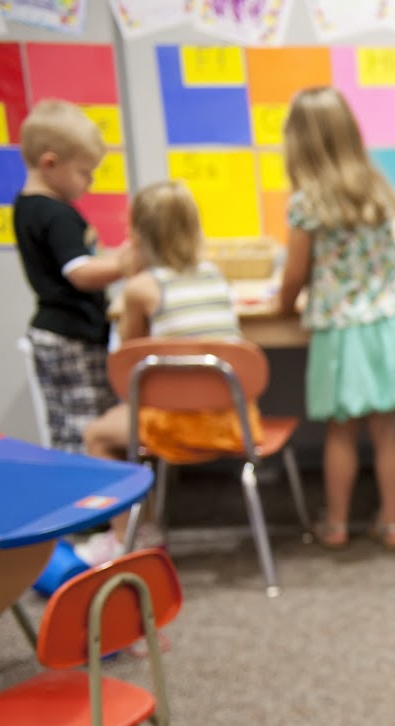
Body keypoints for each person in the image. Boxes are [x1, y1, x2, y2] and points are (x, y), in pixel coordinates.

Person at [76, 180, 260, 565]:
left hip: (176, 426)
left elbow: (129, 363)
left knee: (98, 435)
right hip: (233, 423)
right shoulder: (215, 276)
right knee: (130, 421)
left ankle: (130, 535)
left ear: (139, 235)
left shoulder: (141, 288)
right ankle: (146, 526)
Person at [276, 85, 395, 550]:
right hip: (389, 324)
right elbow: (393, 256)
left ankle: (336, 524)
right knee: (389, 431)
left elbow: (296, 273)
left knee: (341, 431)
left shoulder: (307, 203)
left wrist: (281, 305)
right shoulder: (379, 189)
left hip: (342, 332)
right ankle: (394, 523)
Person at [12, 99, 133, 453]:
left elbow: (80, 260)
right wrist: (128, 263)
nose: (90, 183)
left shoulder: (28, 205)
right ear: (50, 163)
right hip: (70, 337)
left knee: (77, 424)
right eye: (85, 172)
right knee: (85, 429)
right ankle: (93, 502)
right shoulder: (56, 214)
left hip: (68, 333)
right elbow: (81, 273)